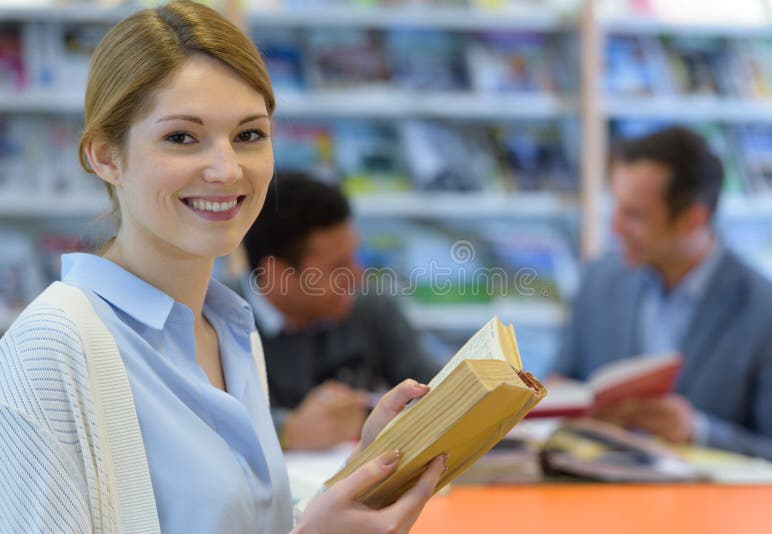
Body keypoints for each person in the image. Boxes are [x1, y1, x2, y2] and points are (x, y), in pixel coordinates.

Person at [0, 2, 445, 533]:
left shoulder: (229, 328)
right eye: (181, 137)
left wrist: (362, 475)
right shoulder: (49, 350)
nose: (226, 169)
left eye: (249, 135)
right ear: (104, 156)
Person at [553, 126, 772, 466]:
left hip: (707, 513)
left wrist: (699, 432)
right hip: (596, 495)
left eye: (635, 215)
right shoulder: (601, 280)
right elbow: (562, 377)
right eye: (617, 208)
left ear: (692, 220)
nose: (616, 228)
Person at [240, 173, 441, 451]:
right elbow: (201, 431)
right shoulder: (213, 321)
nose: (357, 276)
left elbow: (437, 388)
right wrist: (287, 432)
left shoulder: (369, 306)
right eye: (338, 267)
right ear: (276, 275)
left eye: (354, 258)